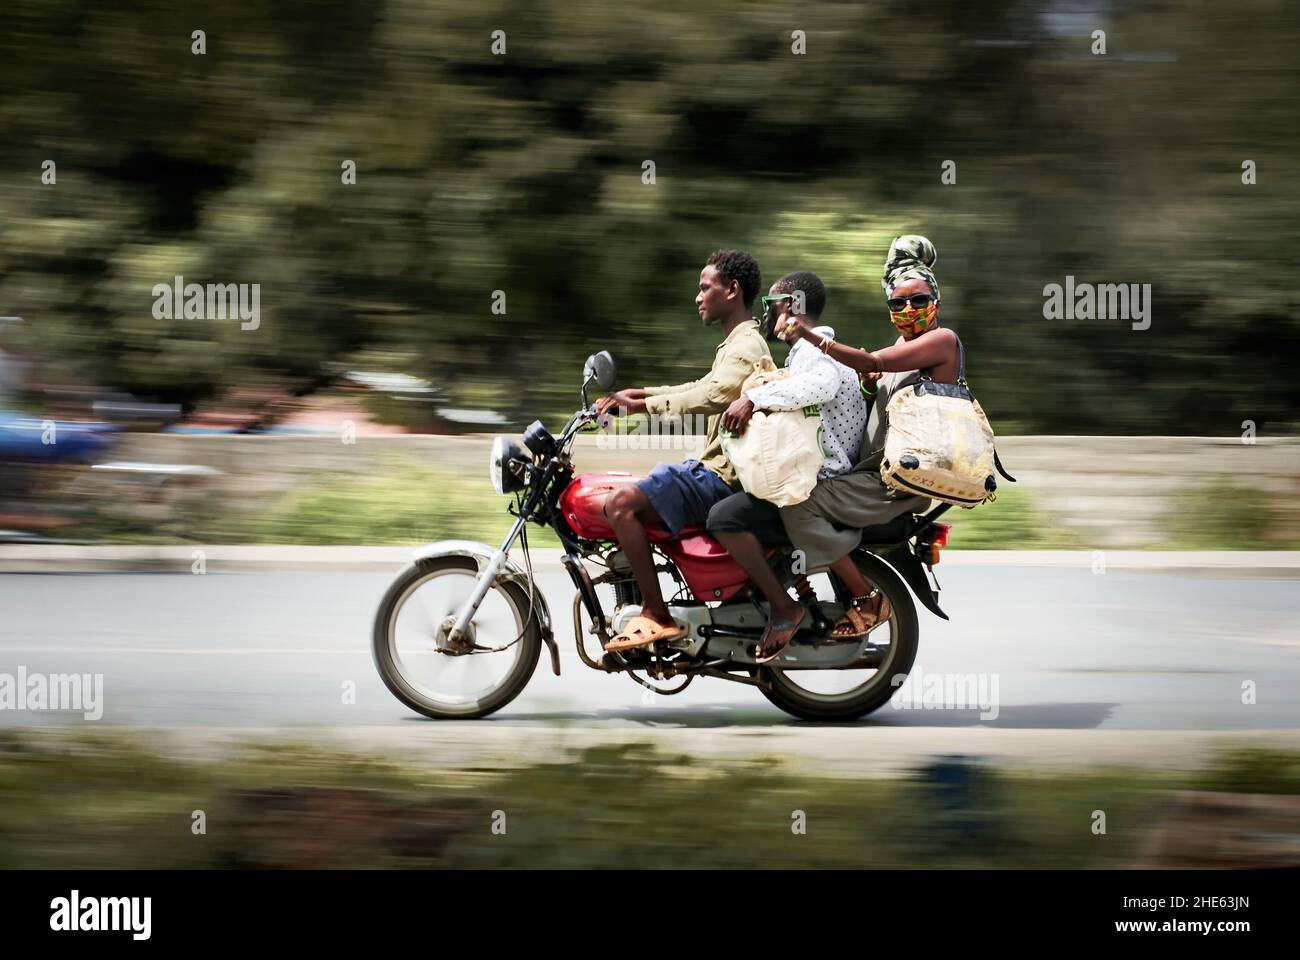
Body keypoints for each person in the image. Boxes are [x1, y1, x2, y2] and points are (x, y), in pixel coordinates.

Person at [770, 235, 962, 657]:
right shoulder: (901, 349)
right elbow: (874, 372)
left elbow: (872, 361)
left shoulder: (942, 341)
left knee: (796, 504)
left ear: (936, 299)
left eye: (919, 300)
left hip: (894, 482)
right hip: (872, 472)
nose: (909, 310)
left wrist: (811, 337)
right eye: (898, 304)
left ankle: (863, 598)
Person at [594, 249, 771, 651]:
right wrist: (643, 393)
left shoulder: (747, 345)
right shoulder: (737, 344)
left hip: (721, 476)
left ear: (732, 290)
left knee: (621, 503)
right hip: (713, 470)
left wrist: (644, 405)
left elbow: (710, 396)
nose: (698, 297)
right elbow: (699, 387)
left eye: (705, 287)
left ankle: (655, 612)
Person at [703, 270, 867, 662]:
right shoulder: (812, 349)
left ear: (793, 306)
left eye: (771, 305)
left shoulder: (815, 352)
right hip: (812, 473)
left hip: (819, 481)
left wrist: (754, 399)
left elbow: (822, 385)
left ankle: (783, 608)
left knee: (723, 518)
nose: (766, 314)